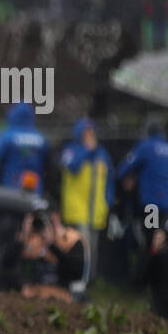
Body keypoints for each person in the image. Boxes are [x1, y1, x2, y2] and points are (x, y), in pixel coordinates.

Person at [59, 117, 114, 286]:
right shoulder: (70, 151)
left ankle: (89, 281)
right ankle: (77, 279)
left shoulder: (102, 154)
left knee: (93, 247)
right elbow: (72, 166)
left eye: (91, 132)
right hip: (77, 210)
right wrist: (87, 150)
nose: (89, 136)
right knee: (81, 247)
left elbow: (110, 179)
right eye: (86, 132)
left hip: (96, 212)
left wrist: (108, 202)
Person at [116, 118, 168, 244]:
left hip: (153, 206)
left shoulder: (146, 146)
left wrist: (132, 175)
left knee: (151, 242)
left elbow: (123, 169)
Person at [0, 101, 48, 194]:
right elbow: (47, 164)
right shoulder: (41, 138)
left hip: (10, 188)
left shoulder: (5, 137)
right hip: (35, 189)